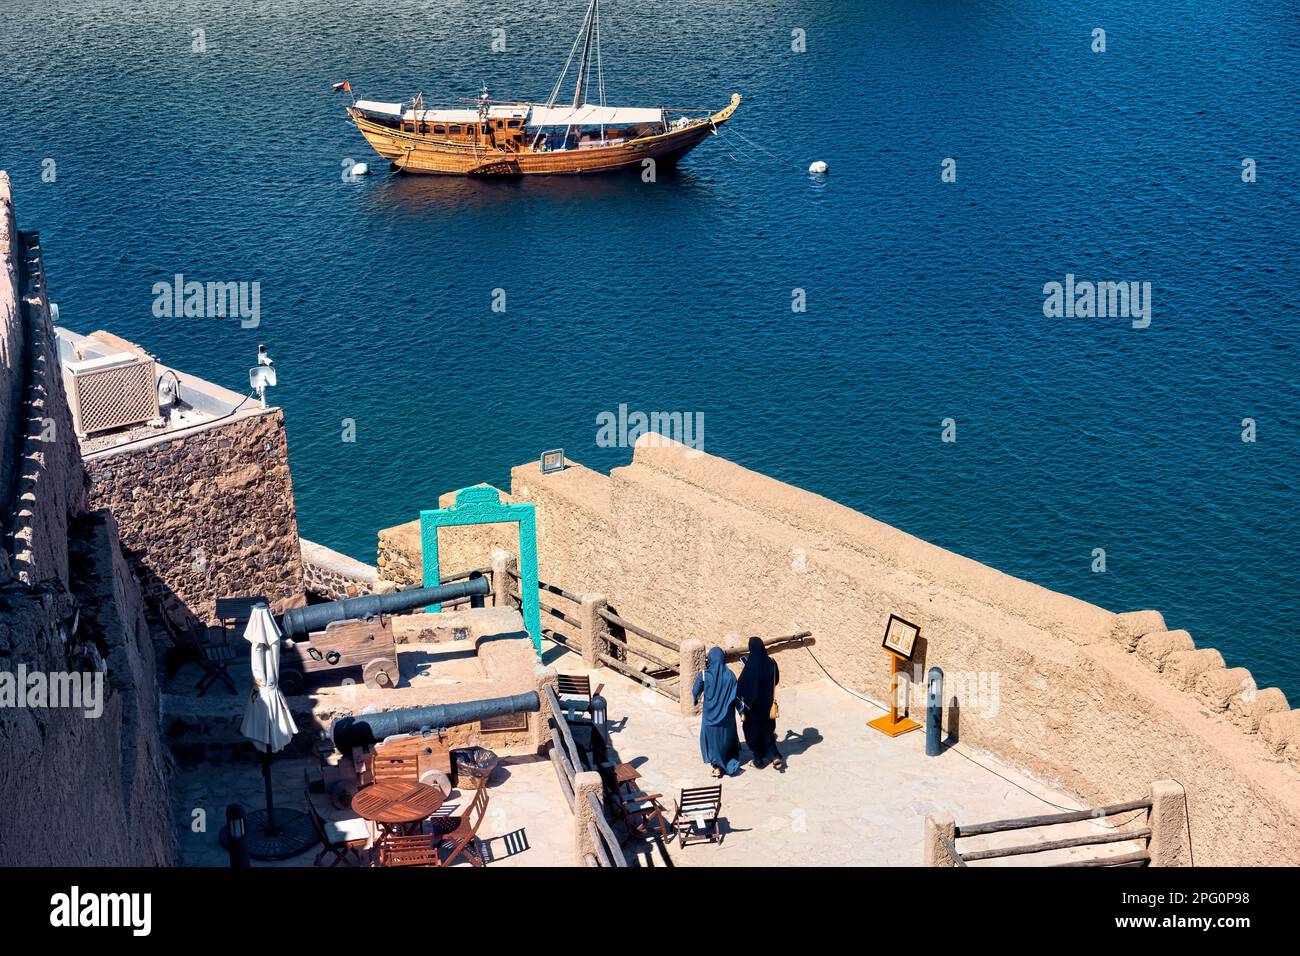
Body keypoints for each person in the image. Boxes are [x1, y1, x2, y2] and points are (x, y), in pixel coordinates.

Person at [692, 647, 741, 777]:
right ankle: (726, 760)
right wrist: (741, 712)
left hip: (710, 717)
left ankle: (717, 766)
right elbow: (736, 696)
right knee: (725, 740)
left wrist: (695, 700)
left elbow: (695, 691)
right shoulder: (730, 675)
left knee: (712, 741)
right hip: (727, 717)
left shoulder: (704, 675)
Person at [737, 636, 783, 770]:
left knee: (754, 733)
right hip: (767, 704)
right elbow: (776, 680)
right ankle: (774, 756)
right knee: (768, 731)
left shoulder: (750, 667)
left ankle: (758, 760)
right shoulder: (772, 662)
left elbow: (740, 687)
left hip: (753, 708)